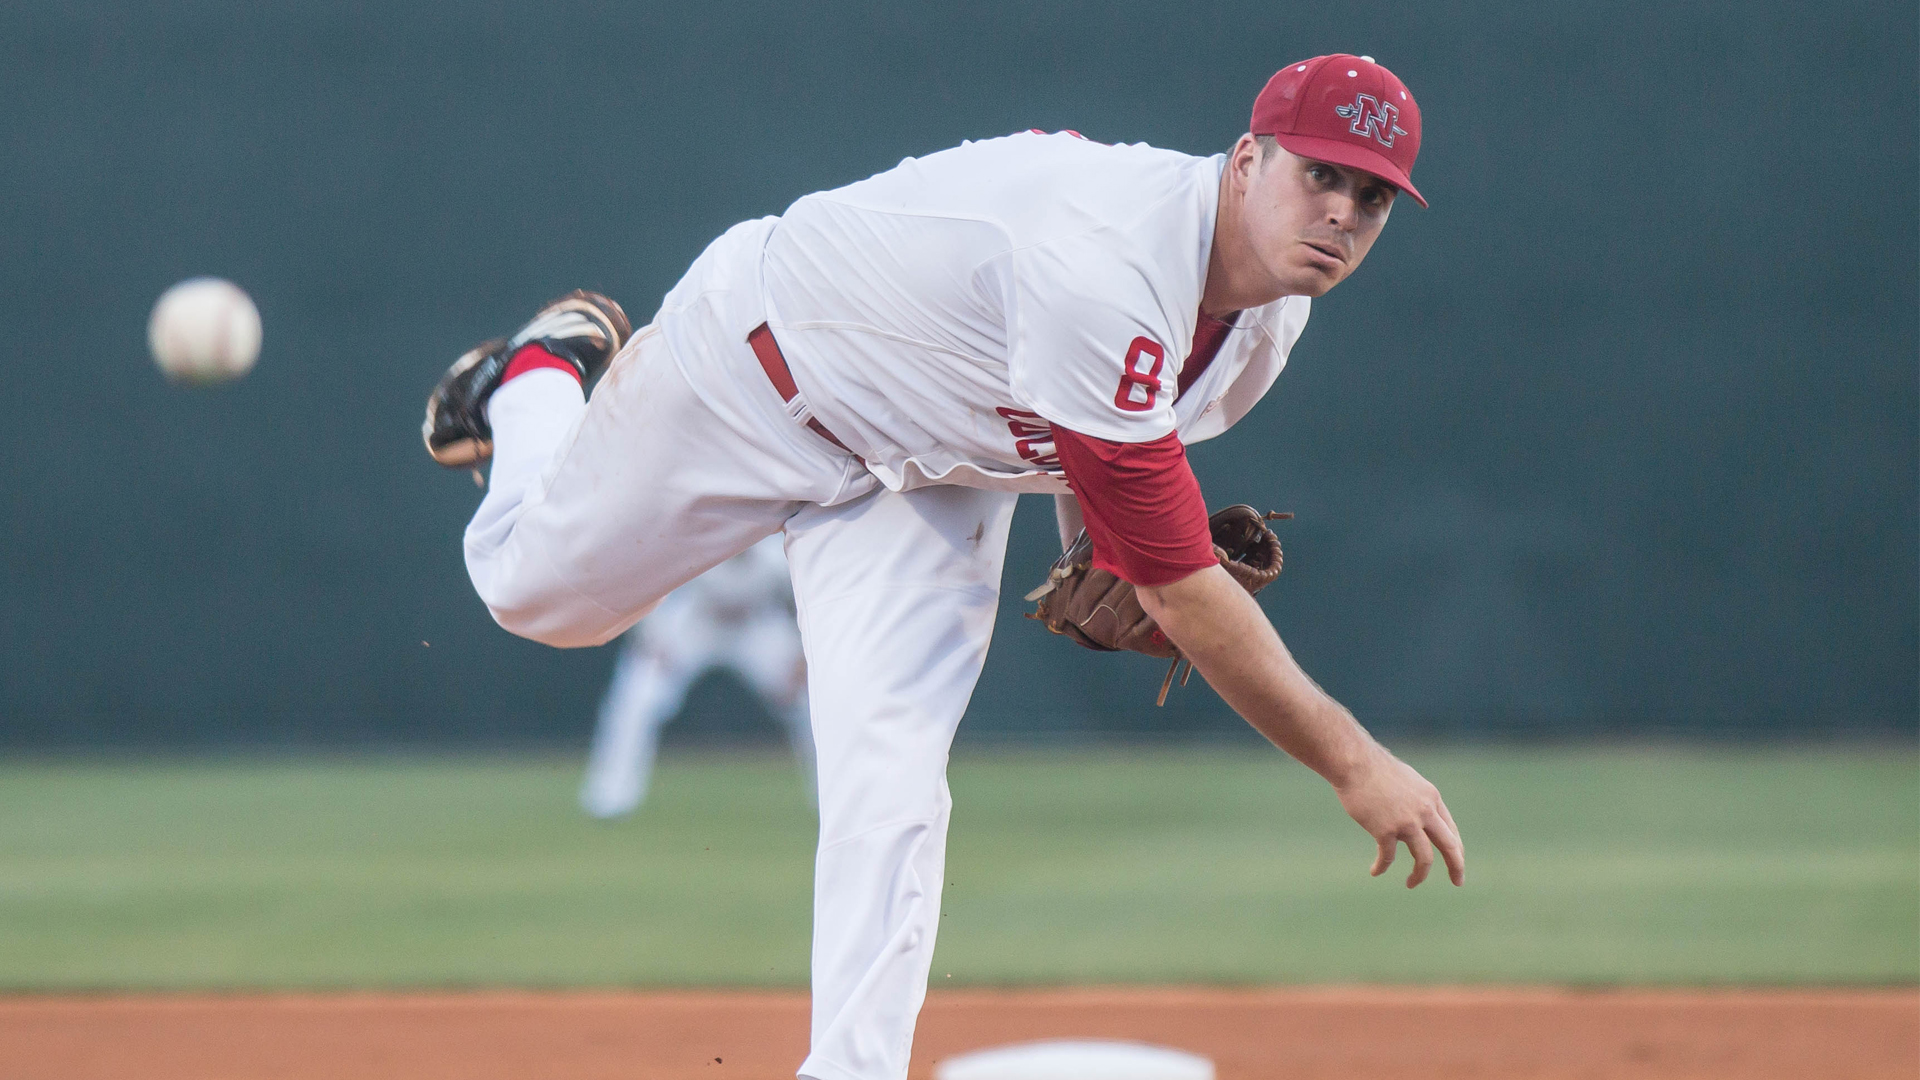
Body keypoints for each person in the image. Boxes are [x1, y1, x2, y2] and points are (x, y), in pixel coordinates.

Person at [423, 54, 1465, 1080]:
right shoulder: (1113, 256)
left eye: (1372, 196)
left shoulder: (1269, 322)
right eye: (1318, 174)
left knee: (894, 782)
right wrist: (1354, 764)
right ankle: (538, 373)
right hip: (760, 370)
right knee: (530, 593)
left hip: (933, 464)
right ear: (1247, 160)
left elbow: (1100, 442)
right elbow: (1180, 584)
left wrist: (1092, 543)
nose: (1340, 211)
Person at [579, 534, 815, 819]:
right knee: (640, 693)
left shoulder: (775, 552)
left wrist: (802, 651)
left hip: (755, 626)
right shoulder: (698, 540)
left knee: (810, 698)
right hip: (697, 622)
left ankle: (827, 798)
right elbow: (652, 584)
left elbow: (802, 601)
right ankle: (611, 797)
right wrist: (655, 637)